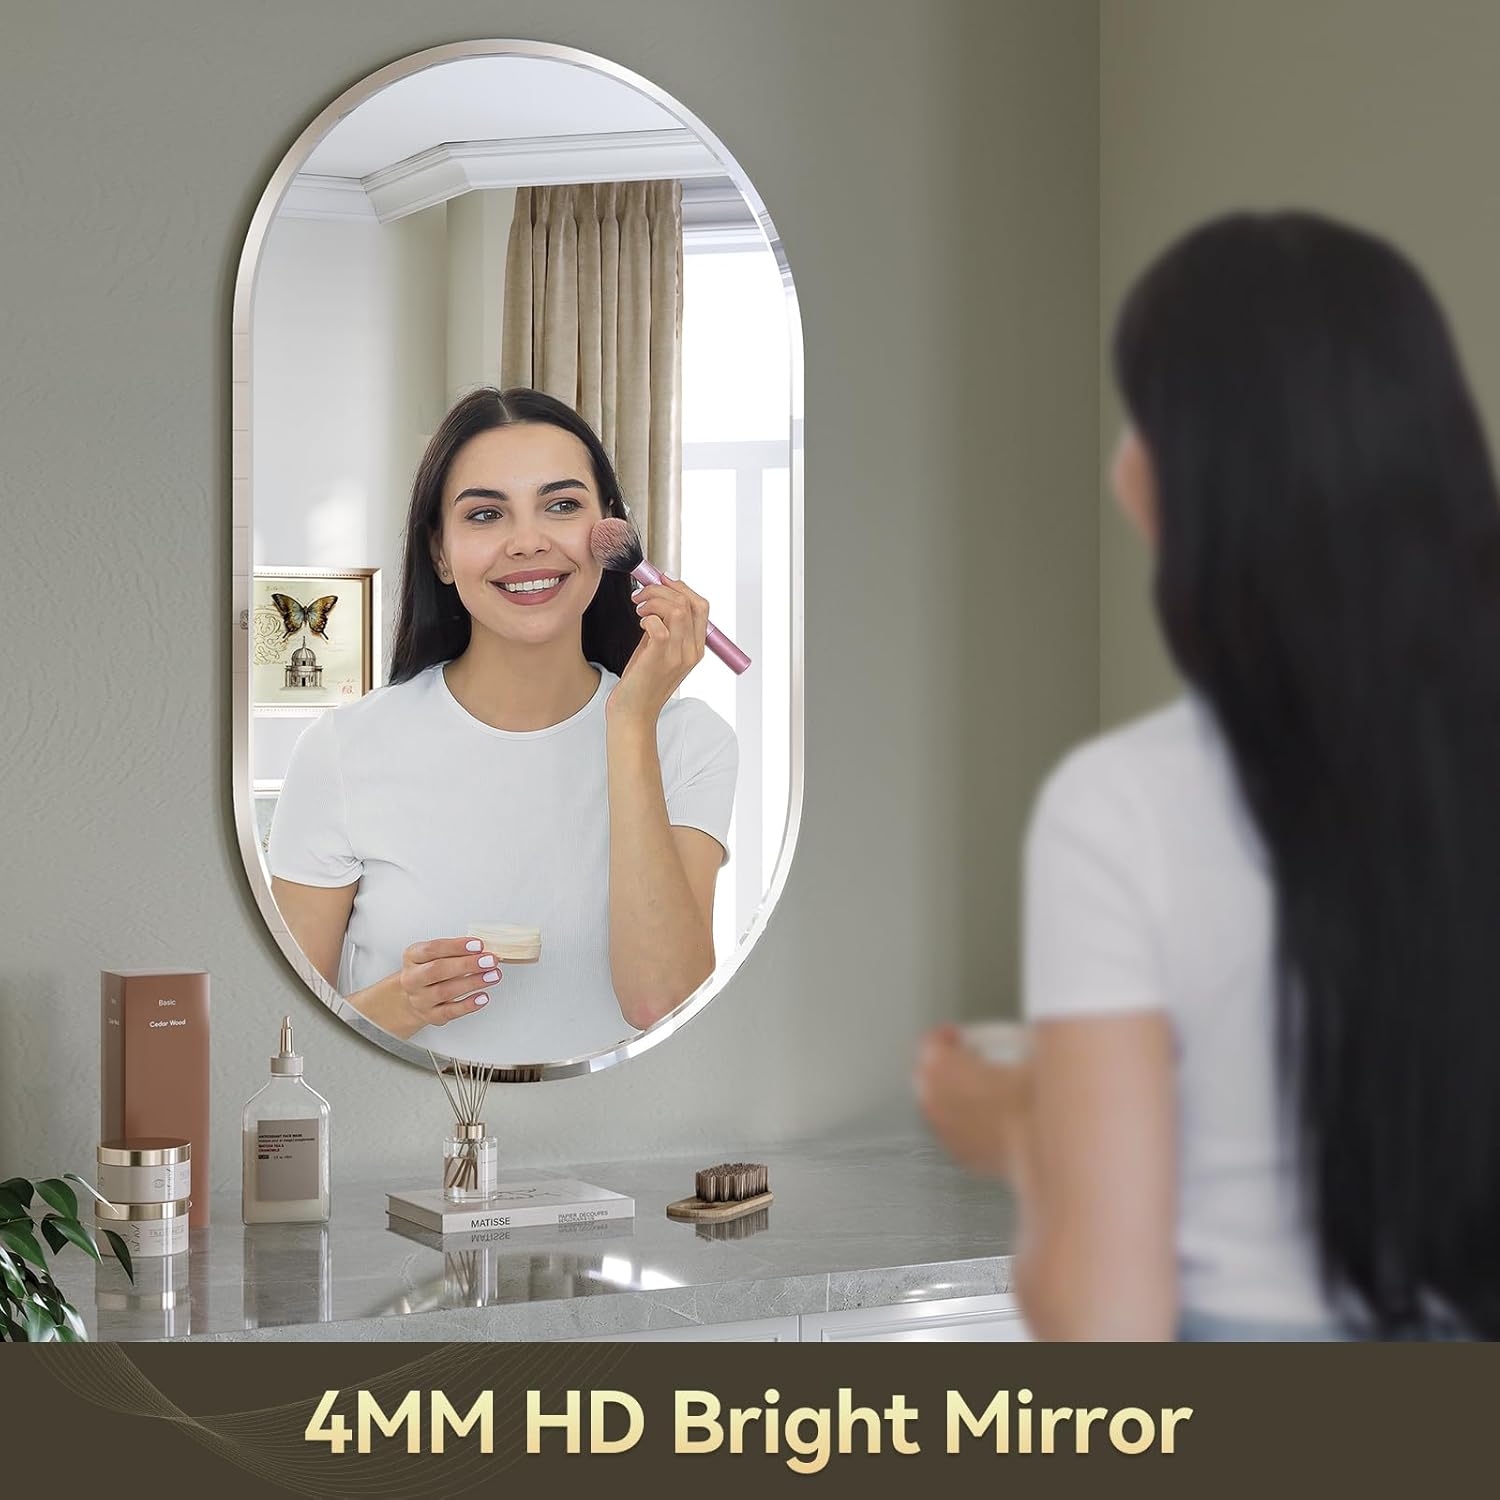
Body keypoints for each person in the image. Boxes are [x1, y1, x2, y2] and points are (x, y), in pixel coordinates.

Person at [919, 212, 1500, 1341]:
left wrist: (1032, 1138)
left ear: (1192, 479)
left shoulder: (1125, 811)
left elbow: (1110, 1336)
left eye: (1141, 419)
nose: (1119, 459)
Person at [268, 388, 737, 1063]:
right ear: (439, 552)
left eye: (563, 505)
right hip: (408, 1160)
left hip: (627, 1158)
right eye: (486, 514)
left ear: (611, 536)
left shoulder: (688, 742)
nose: (528, 542)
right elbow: (287, 1049)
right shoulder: (343, 753)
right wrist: (401, 1001)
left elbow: (662, 1004)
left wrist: (630, 722)